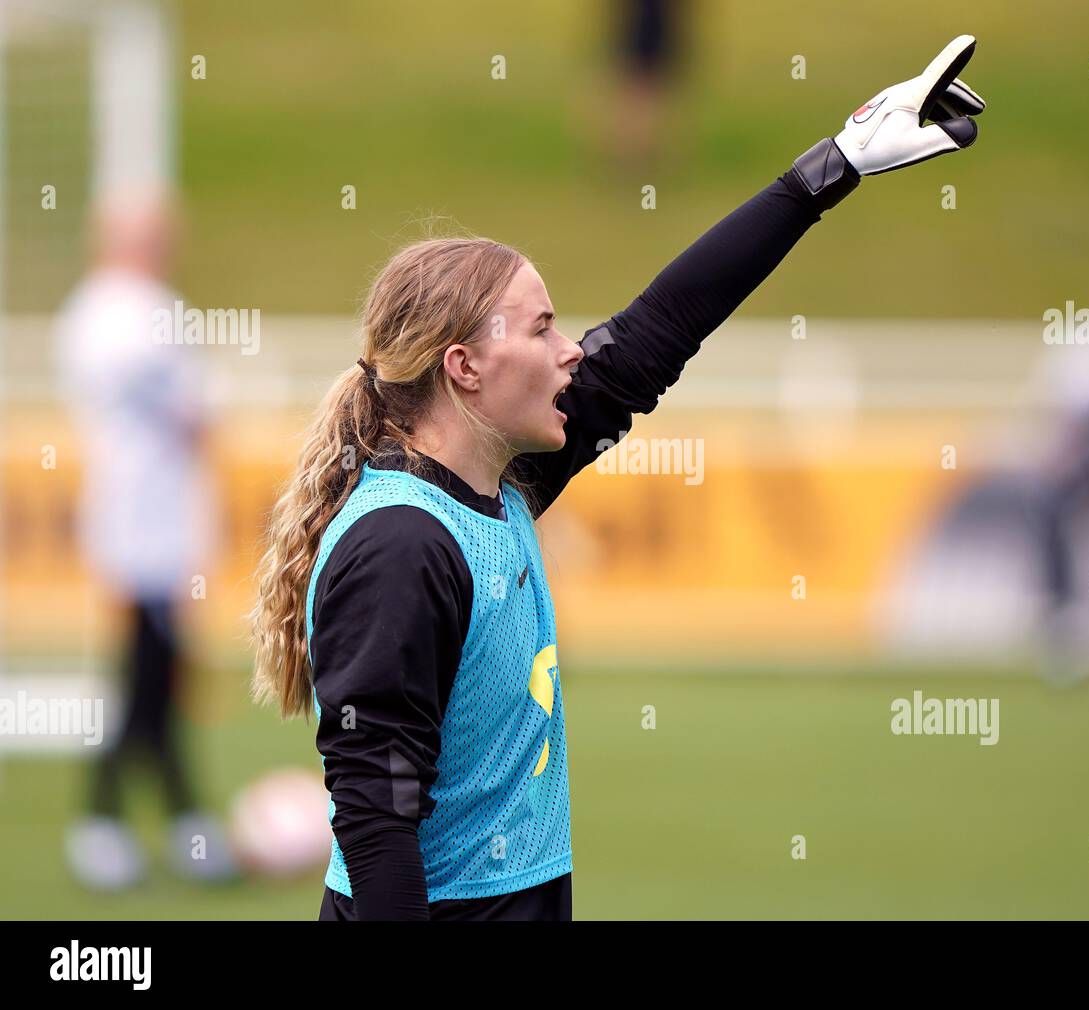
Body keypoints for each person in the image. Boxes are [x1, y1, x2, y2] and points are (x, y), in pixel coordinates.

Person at [250, 35, 985, 920]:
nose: (571, 353)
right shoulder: (401, 543)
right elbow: (376, 828)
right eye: (543, 329)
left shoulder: (502, 481)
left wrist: (829, 170)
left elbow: (653, 337)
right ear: (464, 367)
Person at [56, 186, 235, 890]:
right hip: (140, 519)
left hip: (156, 518)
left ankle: (177, 824)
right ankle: (110, 820)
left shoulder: (121, 311)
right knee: (146, 674)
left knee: (156, 673)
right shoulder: (121, 313)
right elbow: (191, 411)